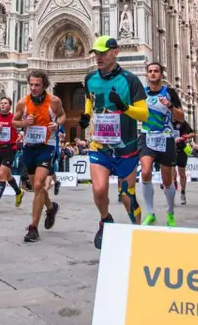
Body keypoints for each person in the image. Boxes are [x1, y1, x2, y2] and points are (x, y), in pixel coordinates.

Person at [81, 36, 147, 249]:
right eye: (96, 53)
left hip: (126, 148)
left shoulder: (130, 80)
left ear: (115, 52)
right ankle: (105, 219)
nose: (98, 57)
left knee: (127, 196)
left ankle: (137, 231)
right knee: (99, 189)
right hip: (100, 146)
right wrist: (86, 114)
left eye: (102, 53)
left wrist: (124, 107)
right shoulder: (90, 78)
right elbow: (90, 98)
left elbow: (144, 114)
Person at [13, 71, 66, 242]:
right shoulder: (23, 102)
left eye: (37, 85)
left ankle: (33, 227)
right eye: (31, 84)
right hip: (29, 147)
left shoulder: (54, 101)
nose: (33, 88)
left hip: (47, 146)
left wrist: (56, 124)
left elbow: (63, 115)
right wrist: (23, 123)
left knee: (38, 185)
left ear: (44, 86)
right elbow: (14, 122)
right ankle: (50, 208)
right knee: (38, 188)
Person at [137, 62, 183, 227]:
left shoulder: (170, 93)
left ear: (161, 74)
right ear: (147, 74)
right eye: (150, 71)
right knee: (145, 172)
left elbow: (181, 117)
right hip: (147, 136)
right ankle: (150, 214)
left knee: (167, 180)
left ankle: (170, 212)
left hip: (166, 137)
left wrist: (169, 106)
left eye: (156, 71)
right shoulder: (141, 93)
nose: (153, 73)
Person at [171, 108, 195, 205]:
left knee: (182, 172)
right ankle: (172, 192)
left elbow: (193, 133)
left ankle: (183, 192)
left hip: (181, 149)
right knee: (172, 172)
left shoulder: (182, 123)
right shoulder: (166, 122)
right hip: (171, 150)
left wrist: (184, 137)